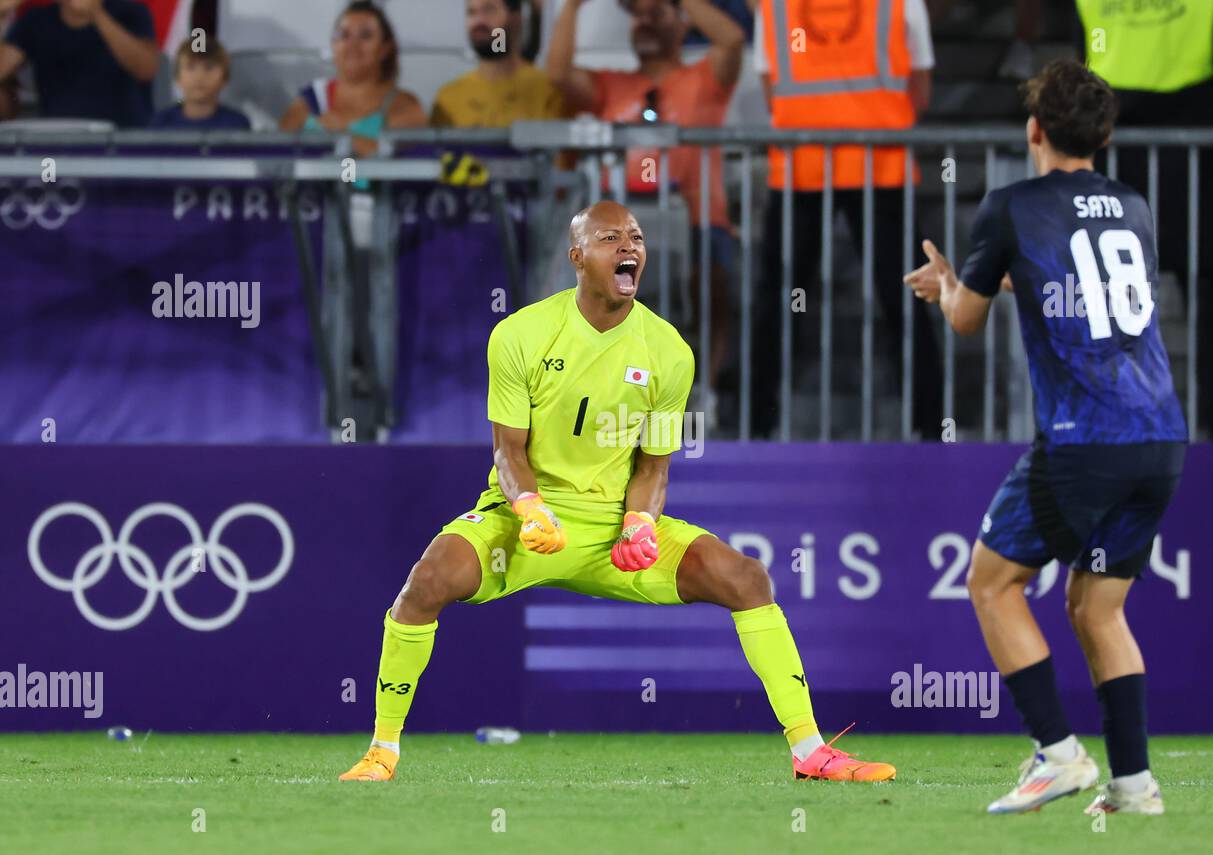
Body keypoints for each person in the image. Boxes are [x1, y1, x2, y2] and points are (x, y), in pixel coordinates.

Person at [338, 199, 896, 786]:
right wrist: (529, 509)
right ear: (578, 257)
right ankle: (382, 750)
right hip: (526, 523)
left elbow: (655, 465)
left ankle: (810, 751)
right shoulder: (521, 335)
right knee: (426, 582)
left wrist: (639, 524)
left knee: (747, 579)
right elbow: (509, 452)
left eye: (635, 237)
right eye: (610, 238)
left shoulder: (669, 352)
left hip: (612, 531)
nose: (628, 247)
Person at [905, 61, 1187, 815]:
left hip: (1083, 437)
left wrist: (950, 291)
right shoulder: (1134, 205)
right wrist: (986, 282)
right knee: (1099, 608)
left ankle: (1059, 755)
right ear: (1107, 135)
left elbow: (966, 322)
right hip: (1160, 436)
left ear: (1033, 131)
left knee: (992, 583)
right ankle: (1134, 785)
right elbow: (1085, 286)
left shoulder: (1007, 206)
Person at [748, 0, 943, 440]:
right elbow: (921, 90)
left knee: (780, 303)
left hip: (803, 166)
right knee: (907, 302)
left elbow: (770, 92)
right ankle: (931, 432)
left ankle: (756, 428)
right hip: (880, 165)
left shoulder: (775, 9)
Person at [546, 0, 744, 395]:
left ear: (683, 23)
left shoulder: (705, 77)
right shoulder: (609, 85)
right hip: (616, 232)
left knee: (713, 279)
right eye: (638, 15)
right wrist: (570, 7)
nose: (644, 22)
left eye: (657, 13)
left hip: (699, 223)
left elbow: (732, 39)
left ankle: (702, 393)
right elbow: (557, 74)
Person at [1075, 0, 1213, 439]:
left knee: (1113, 304)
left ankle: (1115, 427)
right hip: (1196, 153)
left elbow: (1081, 77)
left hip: (1120, 161)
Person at [278, 0, 424, 156]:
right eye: (344, 35)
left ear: (385, 48)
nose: (352, 45)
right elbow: (278, 158)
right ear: (333, 44)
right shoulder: (311, 100)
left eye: (365, 35)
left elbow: (406, 164)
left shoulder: (403, 106)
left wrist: (340, 134)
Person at [0, 0, 159, 128]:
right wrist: (2, 13)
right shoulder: (35, 20)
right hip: (59, 142)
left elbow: (147, 70)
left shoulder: (131, 12)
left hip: (125, 142)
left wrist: (97, 15)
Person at [430, 0, 566, 128]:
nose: (479, 21)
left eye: (489, 10)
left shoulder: (547, 90)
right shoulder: (448, 97)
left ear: (517, 18)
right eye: (471, 12)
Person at [150, 39, 249, 130]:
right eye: (191, 67)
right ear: (177, 77)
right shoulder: (161, 123)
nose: (199, 76)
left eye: (209, 67)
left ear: (225, 77)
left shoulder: (237, 124)